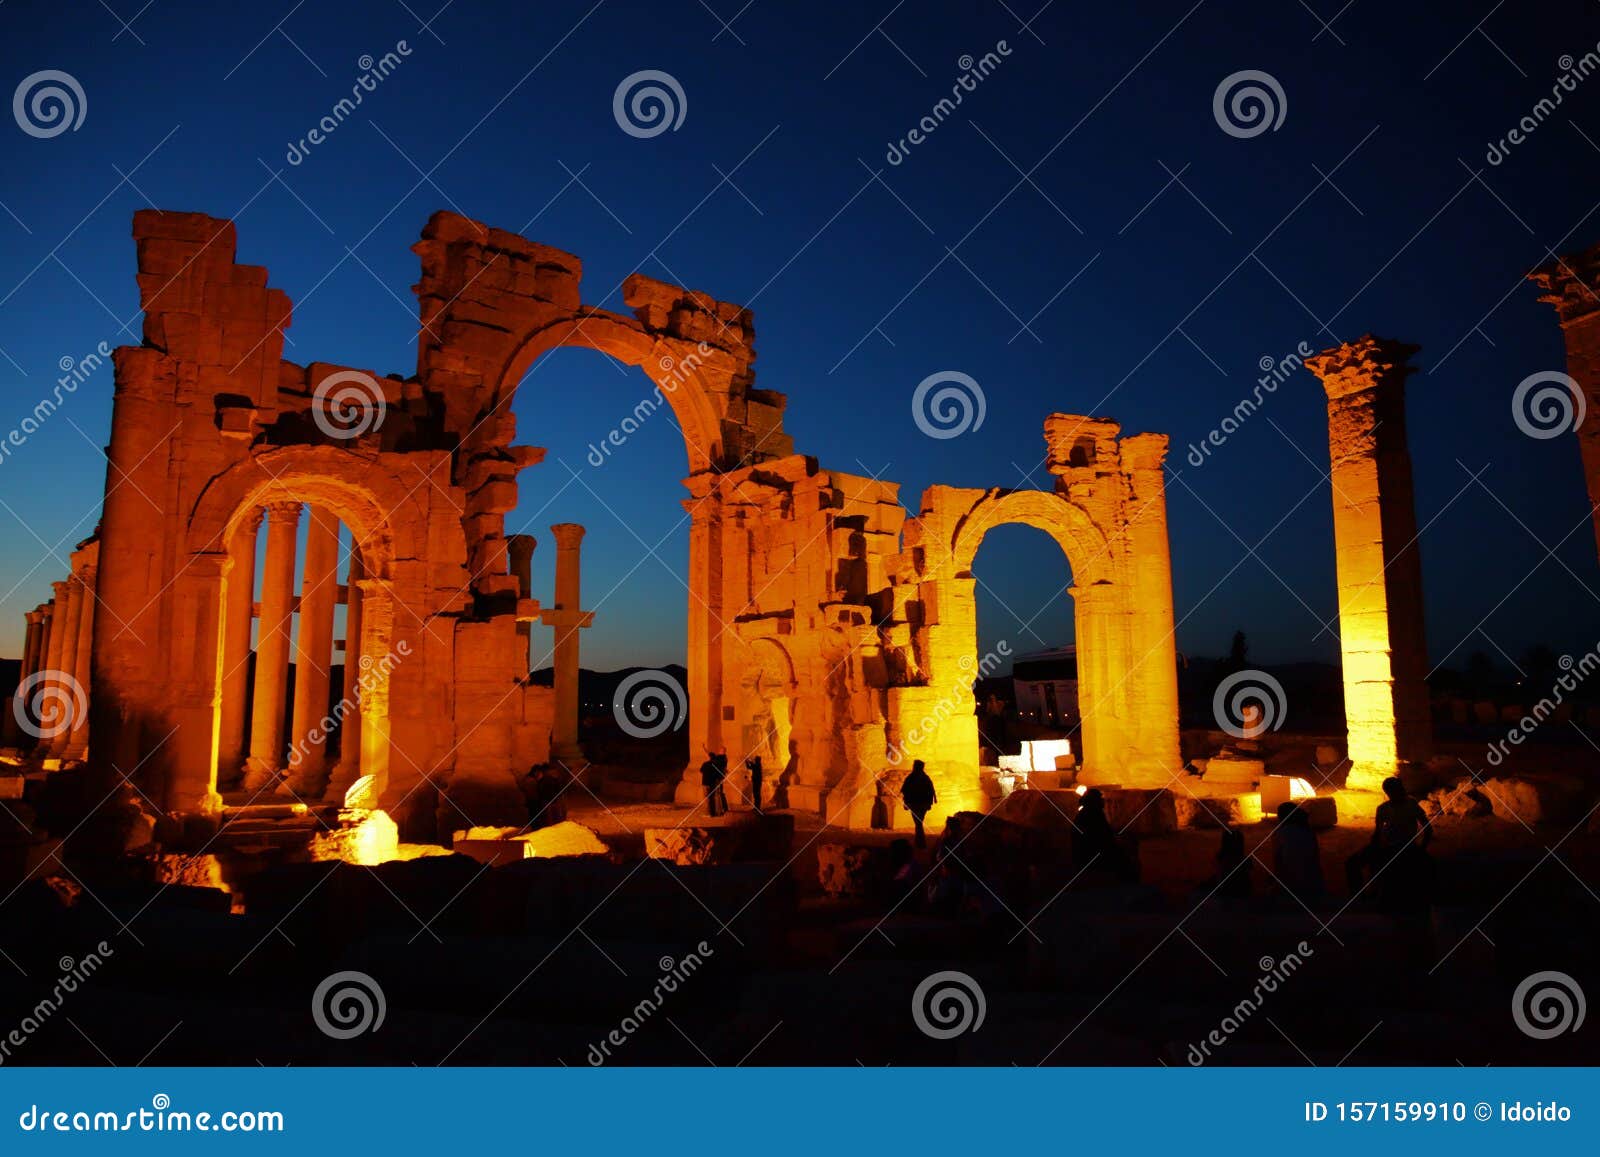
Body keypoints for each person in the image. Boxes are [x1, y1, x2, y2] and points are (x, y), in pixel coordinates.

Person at [1345, 776, 1433, 907]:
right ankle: (1359, 898)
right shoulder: (1382, 809)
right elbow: (1377, 833)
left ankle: (1371, 898)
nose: (1402, 791)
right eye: (1397, 789)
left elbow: (1428, 829)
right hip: (1387, 847)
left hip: (1405, 847)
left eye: (1401, 788)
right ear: (1389, 792)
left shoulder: (1411, 805)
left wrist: (1421, 849)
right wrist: (1374, 846)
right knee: (1352, 862)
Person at [1073, 788, 1135, 881]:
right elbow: (1103, 836)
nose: (1103, 801)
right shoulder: (1093, 814)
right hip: (1092, 854)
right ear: (1095, 800)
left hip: (1089, 852)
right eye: (1101, 798)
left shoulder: (1088, 813)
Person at [1272, 802, 1326, 905]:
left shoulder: (1280, 833)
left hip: (1293, 887)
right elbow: (1315, 858)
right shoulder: (1308, 832)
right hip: (1315, 885)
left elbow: (1278, 864)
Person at [900, 760, 937, 848]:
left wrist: (906, 802)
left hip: (915, 804)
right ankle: (920, 842)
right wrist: (929, 803)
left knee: (918, 823)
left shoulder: (911, 778)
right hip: (921, 804)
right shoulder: (925, 778)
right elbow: (931, 791)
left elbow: (906, 791)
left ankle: (920, 843)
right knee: (919, 822)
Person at [700, 751, 728, 817]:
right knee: (712, 798)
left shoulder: (705, 764)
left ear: (709, 757)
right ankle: (714, 812)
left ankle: (709, 813)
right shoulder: (716, 765)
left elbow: (701, 771)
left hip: (705, 783)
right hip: (712, 783)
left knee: (708, 799)